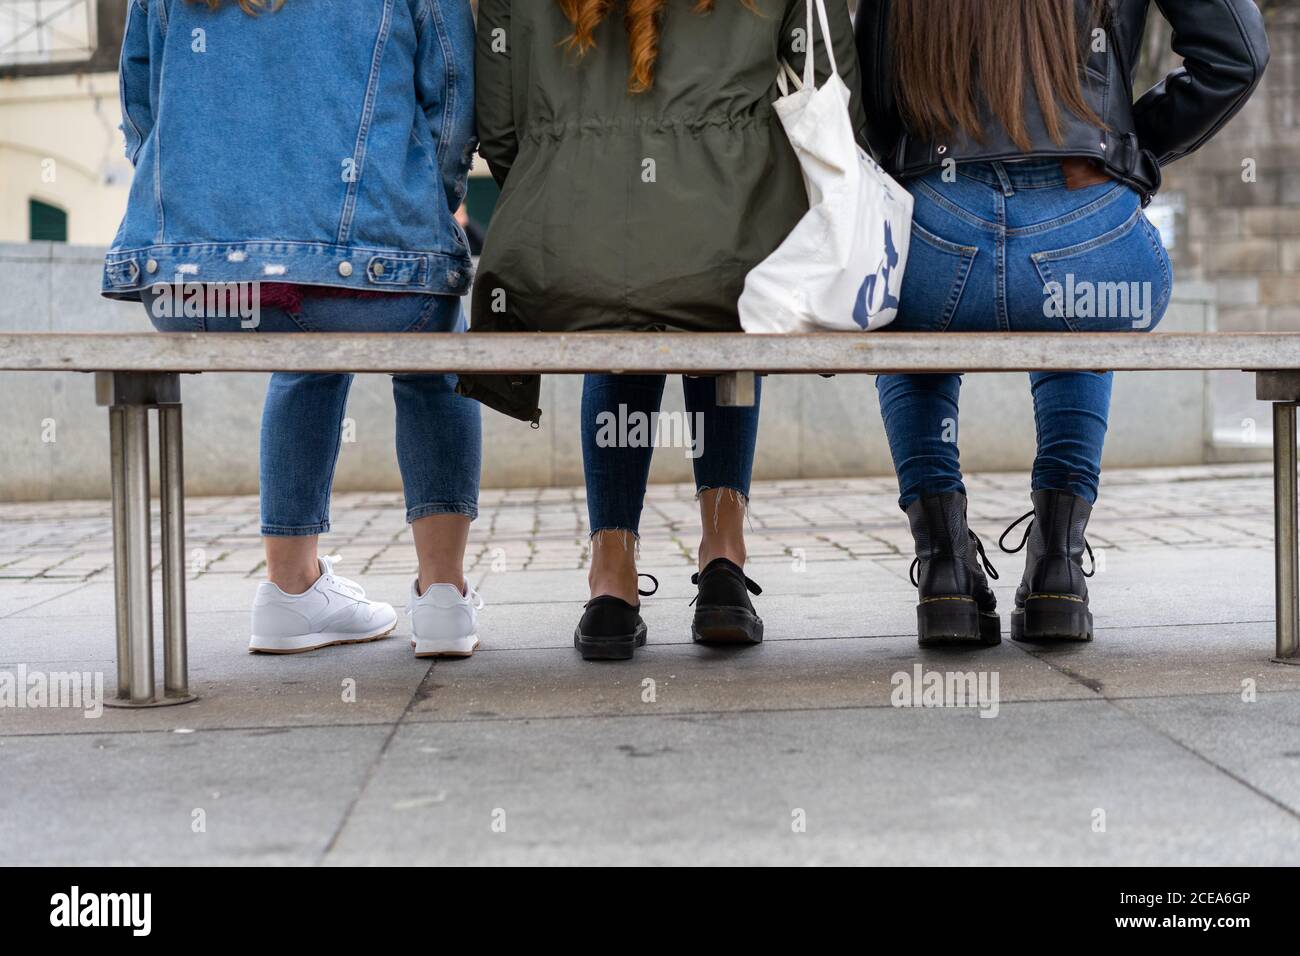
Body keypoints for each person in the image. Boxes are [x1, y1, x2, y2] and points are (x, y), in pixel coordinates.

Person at [855, 0, 1269, 645]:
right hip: (1086, 226)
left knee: (906, 331)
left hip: (935, 231)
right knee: (1085, 313)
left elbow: (865, 84)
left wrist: (915, 177)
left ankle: (944, 568)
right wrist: (1119, 147)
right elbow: (1237, 54)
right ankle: (1058, 569)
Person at [462, 0, 865, 660]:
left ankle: (612, 584)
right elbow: (832, 92)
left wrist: (563, 201)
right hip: (730, 240)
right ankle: (723, 565)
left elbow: (499, 129)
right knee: (725, 310)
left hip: (571, 246)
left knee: (618, 316)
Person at [102, 0, 485, 658]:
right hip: (369, 278)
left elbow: (139, 100)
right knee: (429, 339)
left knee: (304, 333)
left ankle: (289, 589)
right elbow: (451, 98)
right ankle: (444, 596)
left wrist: (197, 207)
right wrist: (431, 201)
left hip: (195, 287)